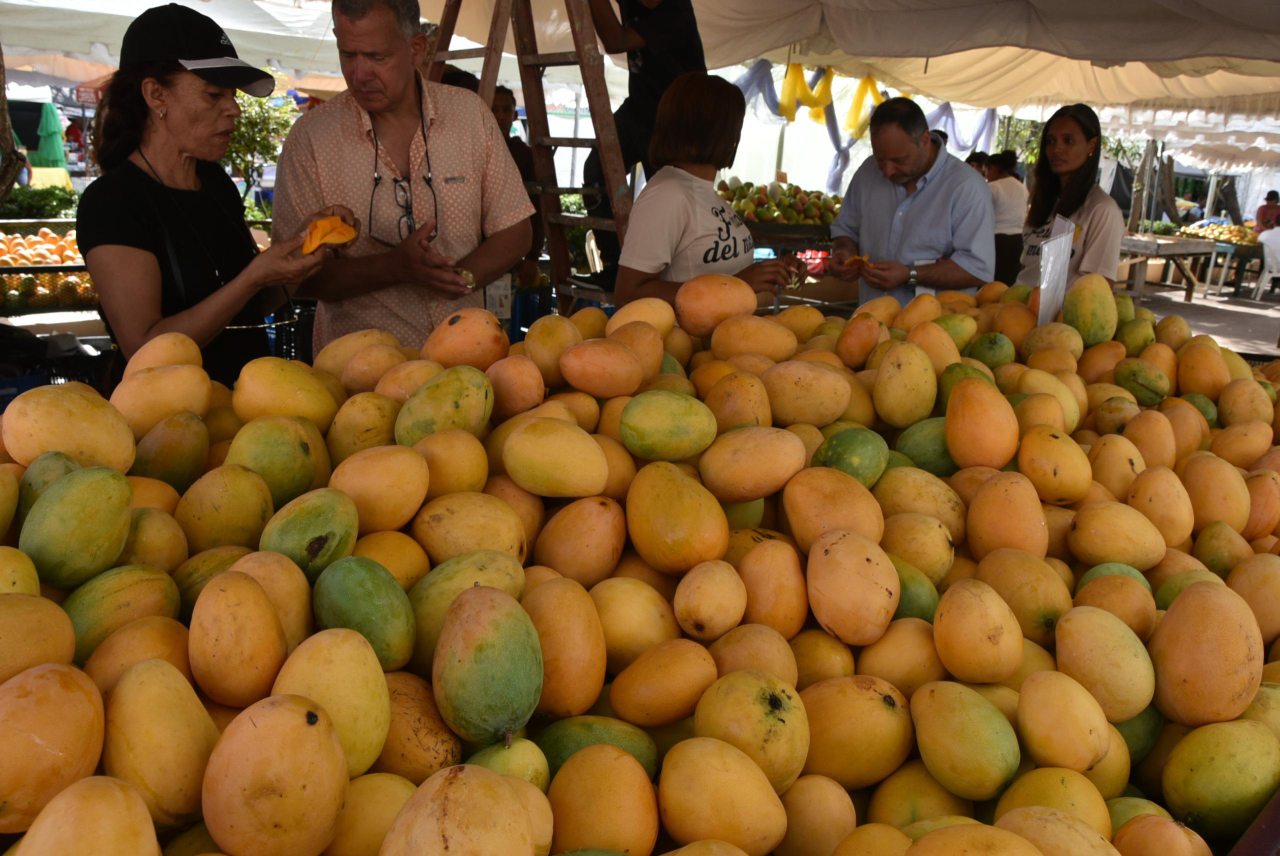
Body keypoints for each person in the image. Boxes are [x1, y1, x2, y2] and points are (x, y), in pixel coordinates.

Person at [76, 3, 348, 386]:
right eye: (214, 94)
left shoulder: (215, 183)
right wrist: (253, 277)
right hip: (167, 421)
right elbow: (145, 347)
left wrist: (297, 256)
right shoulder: (113, 203)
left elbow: (248, 305)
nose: (234, 109)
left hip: (245, 405)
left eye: (232, 95)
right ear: (156, 96)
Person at [272, 0, 533, 353]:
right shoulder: (311, 139)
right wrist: (392, 268)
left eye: (377, 57)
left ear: (416, 49)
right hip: (360, 378)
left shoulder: (469, 115)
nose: (360, 74)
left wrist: (461, 277)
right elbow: (294, 279)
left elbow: (516, 229)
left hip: (466, 360)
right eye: (348, 55)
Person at [614, 73, 801, 306]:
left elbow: (726, 275)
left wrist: (775, 271)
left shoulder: (704, 193)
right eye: (734, 127)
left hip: (723, 337)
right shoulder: (667, 194)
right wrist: (735, 285)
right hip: (682, 341)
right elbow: (627, 295)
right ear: (718, 133)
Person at [827, 97, 995, 306]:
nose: (887, 171)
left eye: (899, 160)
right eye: (880, 159)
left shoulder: (966, 187)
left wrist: (910, 275)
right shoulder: (866, 173)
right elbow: (846, 230)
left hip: (936, 331)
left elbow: (977, 268)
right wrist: (845, 253)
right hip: (870, 324)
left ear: (925, 140)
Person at [583, 0, 705, 281]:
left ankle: (674, 279)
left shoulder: (677, 13)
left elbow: (616, 40)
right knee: (596, 175)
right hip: (641, 107)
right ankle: (616, 266)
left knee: (670, 201)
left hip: (679, 119)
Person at [1018, 103, 1123, 287]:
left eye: (1068, 141)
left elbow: (1097, 290)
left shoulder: (1102, 209)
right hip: (1015, 309)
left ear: (1092, 145)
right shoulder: (1044, 201)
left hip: (1058, 316)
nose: (1056, 149)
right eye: (1051, 141)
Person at [492, 85, 543, 287]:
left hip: (513, 255)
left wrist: (532, 257)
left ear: (514, 115)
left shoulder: (524, 156)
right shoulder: (470, 152)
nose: (501, 116)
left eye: (506, 110)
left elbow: (537, 208)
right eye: (494, 109)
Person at [985, 150, 1029, 285]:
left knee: (990, 287)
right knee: (1008, 286)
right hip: (1018, 242)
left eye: (986, 171)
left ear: (992, 168)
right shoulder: (1022, 188)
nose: (986, 175)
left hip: (995, 241)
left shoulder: (992, 187)